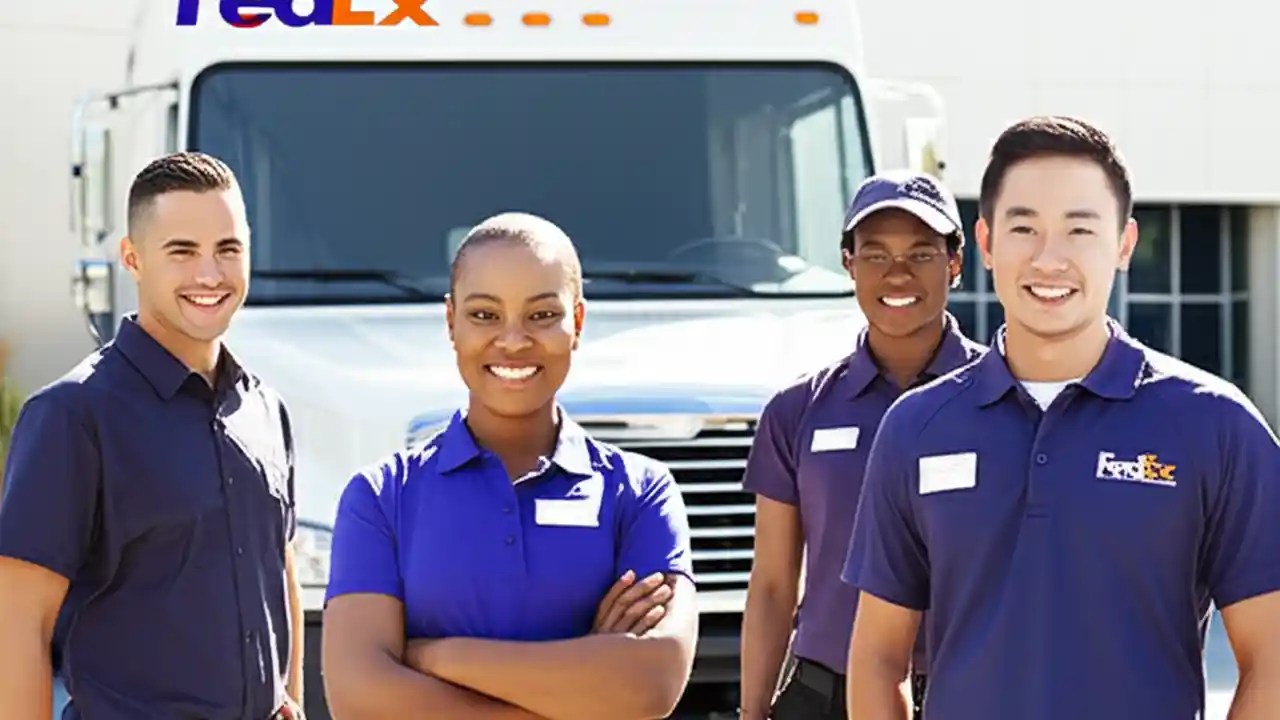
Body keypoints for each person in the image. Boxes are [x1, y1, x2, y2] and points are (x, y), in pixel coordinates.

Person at [842, 116, 1280, 719]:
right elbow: (877, 658)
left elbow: (1272, 658)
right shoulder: (915, 427)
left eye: (1080, 230)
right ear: (988, 243)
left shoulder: (1215, 424)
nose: (1051, 259)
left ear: (1123, 245)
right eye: (1025, 227)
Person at [320, 211, 699, 719]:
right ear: (450, 321)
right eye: (484, 315)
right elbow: (359, 699)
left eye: (542, 315)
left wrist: (435, 655)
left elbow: (652, 682)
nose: (514, 340)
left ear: (578, 323)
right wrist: (586, 689)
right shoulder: (381, 495)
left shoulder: (640, 492)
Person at [0, 151, 305, 719]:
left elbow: (277, 567)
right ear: (133, 259)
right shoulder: (72, 416)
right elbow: (18, 623)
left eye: (228, 249)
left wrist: (288, 695)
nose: (209, 275)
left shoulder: (265, 409)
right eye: (182, 252)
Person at [738, 170, 985, 720]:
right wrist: (753, 710)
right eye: (875, 254)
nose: (897, 274)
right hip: (822, 694)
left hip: (967, 692)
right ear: (848, 262)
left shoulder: (1003, 400)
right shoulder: (797, 411)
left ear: (955, 262)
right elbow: (775, 585)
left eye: (920, 254)